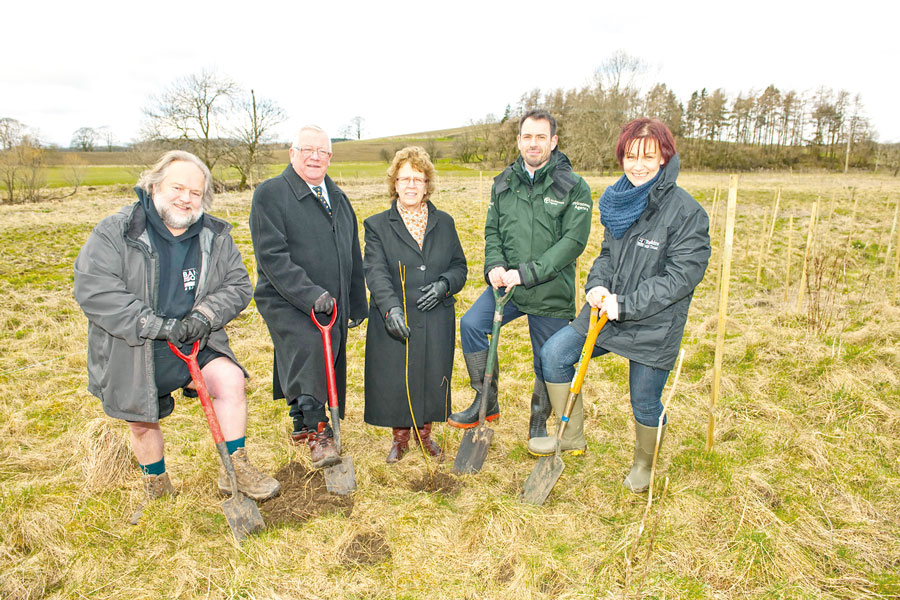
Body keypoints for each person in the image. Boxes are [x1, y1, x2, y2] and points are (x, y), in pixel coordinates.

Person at [73, 150, 280, 515]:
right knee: (141, 422)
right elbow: (95, 289)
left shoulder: (214, 236)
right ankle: (157, 485)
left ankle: (233, 467)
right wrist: (154, 324)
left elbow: (237, 284)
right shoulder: (116, 232)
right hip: (134, 345)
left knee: (231, 380)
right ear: (154, 186)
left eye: (196, 192)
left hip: (195, 339)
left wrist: (204, 315)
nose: (186, 198)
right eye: (177, 187)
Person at [531, 117, 711, 492]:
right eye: (631, 156)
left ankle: (644, 464)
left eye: (648, 155)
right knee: (554, 354)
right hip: (605, 312)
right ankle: (571, 437)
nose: (638, 164)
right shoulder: (619, 200)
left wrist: (624, 304)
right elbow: (607, 256)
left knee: (644, 401)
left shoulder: (686, 212)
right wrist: (596, 286)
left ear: (664, 157)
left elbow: (680, 278)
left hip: (653, 323)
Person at [449, 110, 592, 444]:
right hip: (507, 288)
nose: (533, 143)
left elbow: (572, 243)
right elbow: (492, 231)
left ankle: (539, 420)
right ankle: (486, 400)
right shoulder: (504, 183)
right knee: (471, 325)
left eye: (541, 137)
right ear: (518, 140)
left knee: (549, 357)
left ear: (553, 141)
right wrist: (495, 266)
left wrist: (526, 273)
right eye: (527, 136)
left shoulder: (573, 186)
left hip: (549, 290)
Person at [250, 125, 367, 470]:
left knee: (323, 353)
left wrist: (356, 301)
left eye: (322, 152)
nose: (315, 157)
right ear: (292, 154)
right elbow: (272, 256)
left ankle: (300, 418)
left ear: (330, 157)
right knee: (309, 344)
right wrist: (310, 293)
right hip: (285, 296)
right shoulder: (271, 194)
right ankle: (318, 429)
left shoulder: (339, 198)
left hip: (332, 299)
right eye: (307, 150)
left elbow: (351, 253)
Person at [362, 147, 467, 463]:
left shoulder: (444, 223)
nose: (411, 185)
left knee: (433, 373)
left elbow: (459, 266)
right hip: (397, 315)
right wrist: (390, 308)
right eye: (404, 178)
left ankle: (425, 435)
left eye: (418, 179)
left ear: (427, 184)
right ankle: (400, 438)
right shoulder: (377, 225)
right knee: (397, 375)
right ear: (394, 183)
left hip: (436, 315)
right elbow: (376, 271)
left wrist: (444, 284)